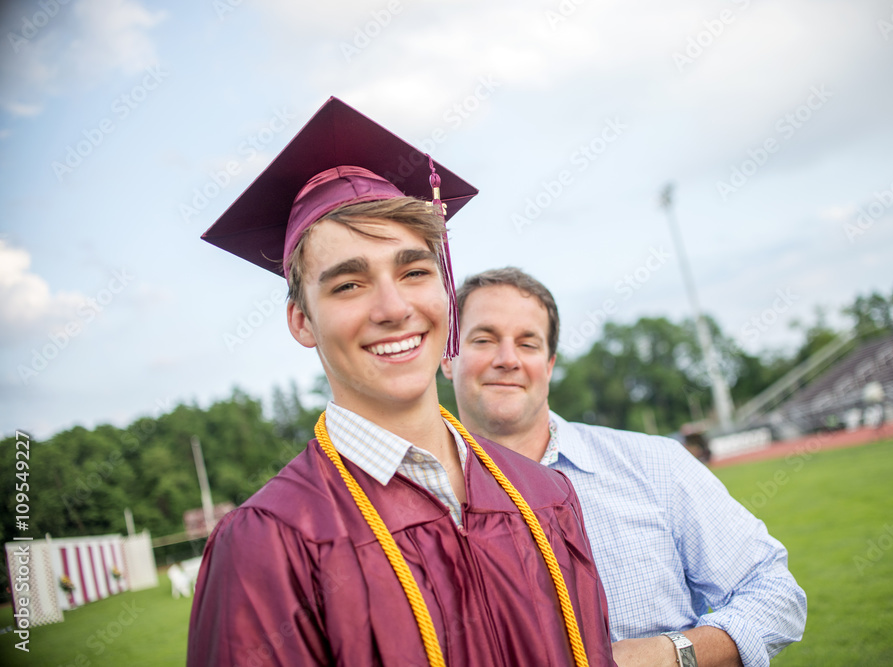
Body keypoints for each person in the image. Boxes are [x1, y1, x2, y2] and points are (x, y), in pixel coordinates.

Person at [188, 99, 615, 666]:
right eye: (349, 285)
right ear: (301, 321)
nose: (394, 308)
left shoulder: (546, 498)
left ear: (444, 290)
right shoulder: (270, 544)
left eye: (414, 272)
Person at [442, 267, 808, 667]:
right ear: (448, 358)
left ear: (548, 365)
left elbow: (776, 595)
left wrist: (673, 652)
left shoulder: (656, 464)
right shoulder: (414, 498)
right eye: (483, 339)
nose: (507, 359)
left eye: (528, 344)